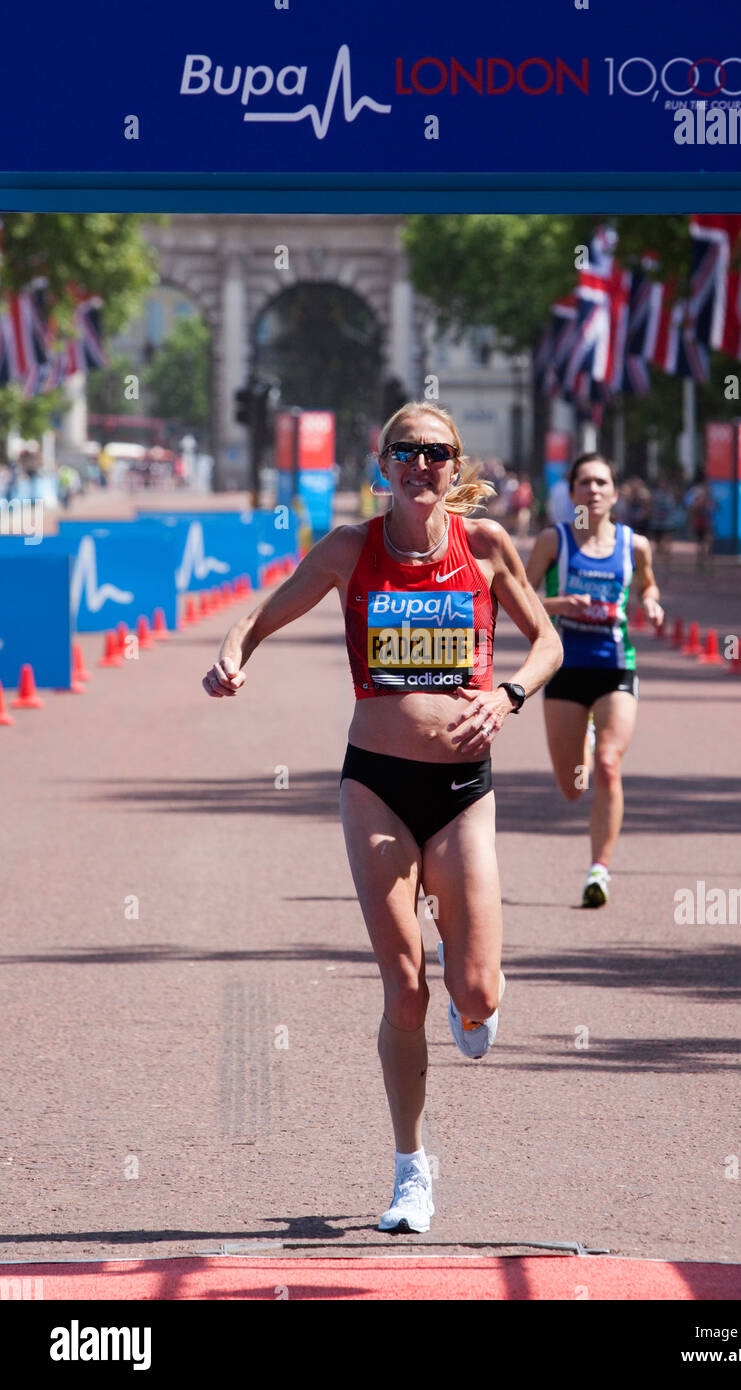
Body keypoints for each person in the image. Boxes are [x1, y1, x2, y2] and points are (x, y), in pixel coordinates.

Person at [202, 401, 562, 1235]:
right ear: (383, 464)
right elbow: (258, 615)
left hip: (463, 788)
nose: (420, 464)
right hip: (376, 784)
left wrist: (509, 696)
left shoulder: (487, 546)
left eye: (435, 452)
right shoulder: (349, 550)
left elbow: (546, 642)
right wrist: (231, 656)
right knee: (403, 985)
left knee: (474, 992)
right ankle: (411, 1170)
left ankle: (474, 996)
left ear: (454, 465)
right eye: (405, 451)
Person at [525, 452, 663, 909]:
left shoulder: (634, 545)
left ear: (616, 493)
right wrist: (561, 605)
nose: (594, 490)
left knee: (607, 764)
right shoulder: (554, 540)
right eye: (584, 482)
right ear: (571, 492)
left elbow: (647, 584)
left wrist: (651, 602)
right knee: (573, 788)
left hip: (615, 666)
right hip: (564, 668)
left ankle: (599, 869)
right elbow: (518, 597)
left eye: (602, 482)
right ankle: (584, 734)